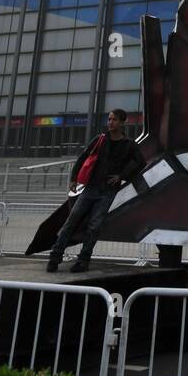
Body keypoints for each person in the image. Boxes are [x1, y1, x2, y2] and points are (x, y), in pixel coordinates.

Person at [47, 109, 144, 272]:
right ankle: (55, 257)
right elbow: (83, 157)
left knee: (94, 226)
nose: (110, 122)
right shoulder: (100, 139)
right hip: (90, 188)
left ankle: (83, 261)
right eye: (109, 119)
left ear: (122, 122)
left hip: (107, 191)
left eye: (114, 120)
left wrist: (121, 176)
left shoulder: (129, 145)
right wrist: (73, 178)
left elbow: (140, 162)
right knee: (71, 222)